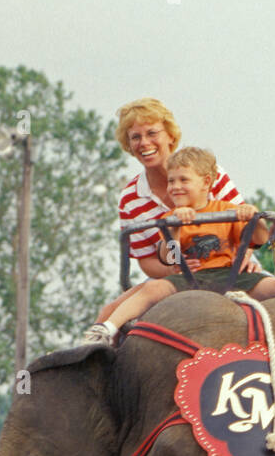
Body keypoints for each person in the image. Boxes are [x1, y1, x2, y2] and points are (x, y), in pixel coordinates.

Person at [83, 148, 275, 345]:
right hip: (191, 276)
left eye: (183, 180)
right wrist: (175, 227)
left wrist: (254, 216)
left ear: (206, 183)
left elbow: (259, 239)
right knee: (152, 289)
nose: (175, 187)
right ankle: (107, 328)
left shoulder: (227, 210)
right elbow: (167, 257)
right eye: (171, 181)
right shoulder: (170, 217)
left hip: (229, 274)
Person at [88, 97, 263, 330]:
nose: (144, 143)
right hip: (175, 272)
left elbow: (244, 222)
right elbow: (147, 261)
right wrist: (175, 268)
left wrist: (246, 255)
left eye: (152, 133)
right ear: (128, 145)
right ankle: (97, 351)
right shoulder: (131, 199)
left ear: (170, 136)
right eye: (135, 137)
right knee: (109, 312)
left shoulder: (209, 172)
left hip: (229, 265)